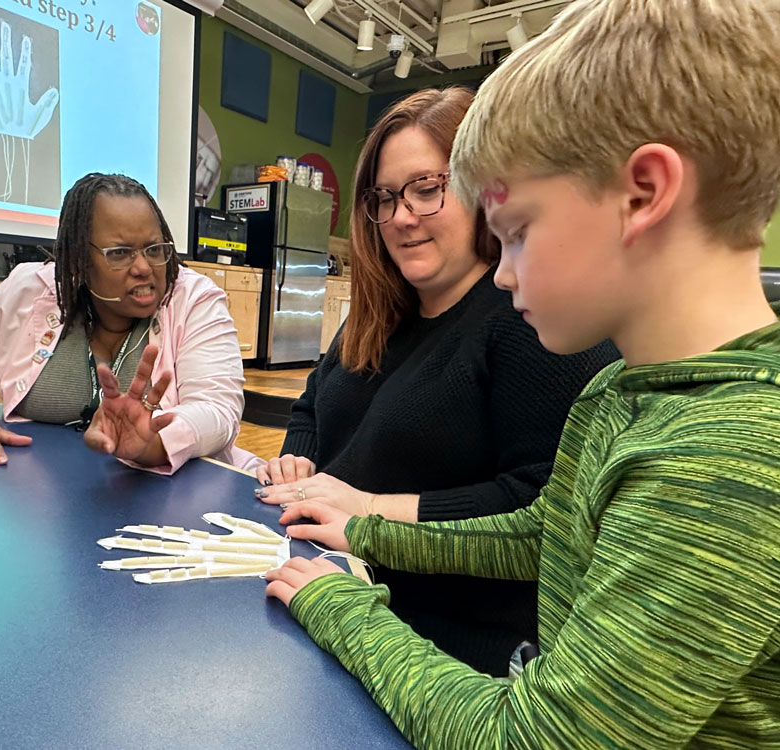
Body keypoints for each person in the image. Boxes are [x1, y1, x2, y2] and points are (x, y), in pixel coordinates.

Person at [265, 0, 780, 746]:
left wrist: (346, 609)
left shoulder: (726, 457)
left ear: (643, 194)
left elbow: (538, 739)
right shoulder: (618, 391)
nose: (502, 276)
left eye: (517, 233)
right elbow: (538, 536)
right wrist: (367, 529)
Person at [255, 87, 618, 675]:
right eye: (385, 197)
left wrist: (371, 513)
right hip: (318, 580)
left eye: (427, 189)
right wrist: (297, 463)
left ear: (485, 191)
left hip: (431, 642)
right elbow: (311, 408)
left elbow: (538, 510)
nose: (401, 216)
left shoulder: (529, 320)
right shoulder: (377, 310)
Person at [0, 172, 256, 475]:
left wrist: (152, 443)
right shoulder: (28, 292)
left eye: (154, 249)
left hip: (169, 502)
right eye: (120, 253)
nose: (144, 267)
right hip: (37, 507)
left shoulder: (193, 298)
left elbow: (218, 411)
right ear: (78, 261)